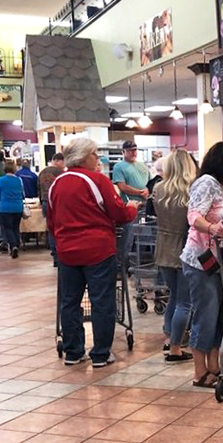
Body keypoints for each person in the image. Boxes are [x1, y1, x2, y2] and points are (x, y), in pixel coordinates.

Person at [47, 137, 138, 368]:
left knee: (69, 302)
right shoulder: (97, 180)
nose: (97, 158)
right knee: (102, 301)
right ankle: (100, 353)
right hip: (97, 250)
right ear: (83, 157)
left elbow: (51, 220)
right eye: (94, 154)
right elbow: (118, 213)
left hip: (67, 251)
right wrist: (131, 209)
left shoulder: (57, 184)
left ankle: (73, 351)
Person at [180, 142, 223, 388]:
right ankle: (200, 372)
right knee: (205, 315)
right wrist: (212, 228)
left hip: (222, 261)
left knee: (220, 316)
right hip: (201, 261)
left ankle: (215, 368)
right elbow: (193, 216)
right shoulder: (206, 183)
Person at [152, 150, 196, 363]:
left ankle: (169, 337)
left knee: (173, 296)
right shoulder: (191, 191)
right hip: (185, 246)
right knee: (184, 302)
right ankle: (176, 348)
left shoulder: (158, 189)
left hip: (163, 245)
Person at [112, 140, 149, 256]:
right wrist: (139, 192)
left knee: (145, 236)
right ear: (124, 152)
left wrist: (148, 190)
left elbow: (151, 182)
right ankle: (124, 263)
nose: (133, 153)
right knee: (128, 237)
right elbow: (122, 186)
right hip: (130, 206)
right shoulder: (119, 167)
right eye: (130, 151)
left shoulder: (142, 166)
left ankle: (139, 261)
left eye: (135, 150)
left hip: (145, 206)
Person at [39, 152, 65, 263]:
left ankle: (55, 255)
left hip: (45, 202)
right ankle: (60, 255)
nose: (64, 165)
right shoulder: (61, 173)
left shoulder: (42, 172)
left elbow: (38, 189)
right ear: (58, 161)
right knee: (61, 228)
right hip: (57, 202)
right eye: (63, 162)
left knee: (51, 229)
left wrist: (41, 202)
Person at [0, 161, 24, 258]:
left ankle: (13, 245)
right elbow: (22, 193)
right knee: (16, 227)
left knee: (8, 228)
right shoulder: (19, 180)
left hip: (5, 207)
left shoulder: (0, 180)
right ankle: (16, 244)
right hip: (18, 206)